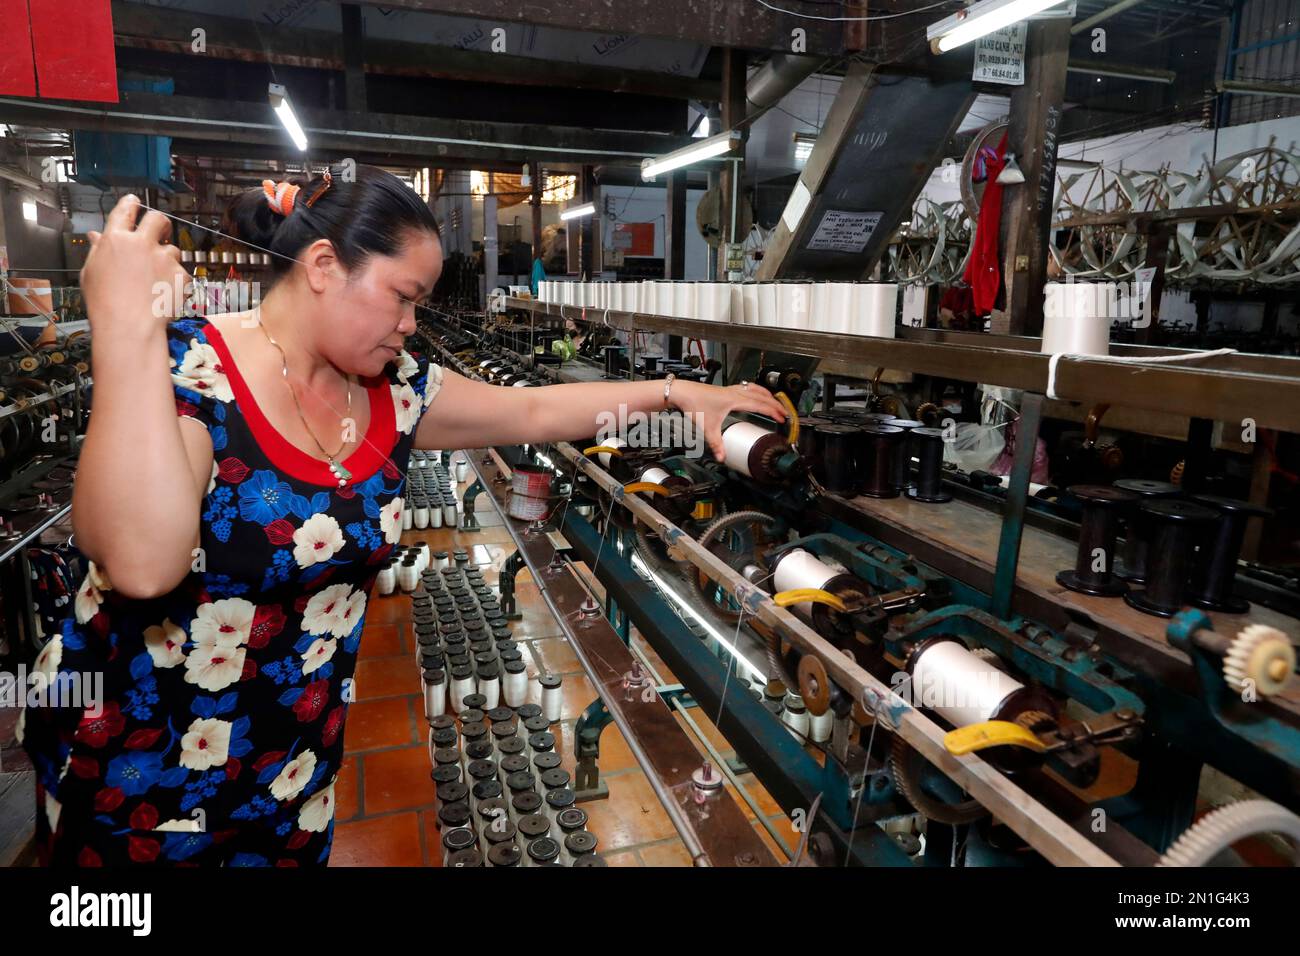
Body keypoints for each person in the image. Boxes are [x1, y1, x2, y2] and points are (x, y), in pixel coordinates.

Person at [19, 165, 786, 866]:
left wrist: (680, 398)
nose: (412, 324)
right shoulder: (193, 369)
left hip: (289, 773)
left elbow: (537, 407)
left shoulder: (395, 390)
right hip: (139, 778)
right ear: (323, 267)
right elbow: (141, 561)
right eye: (403, 296)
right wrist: (125, 325)